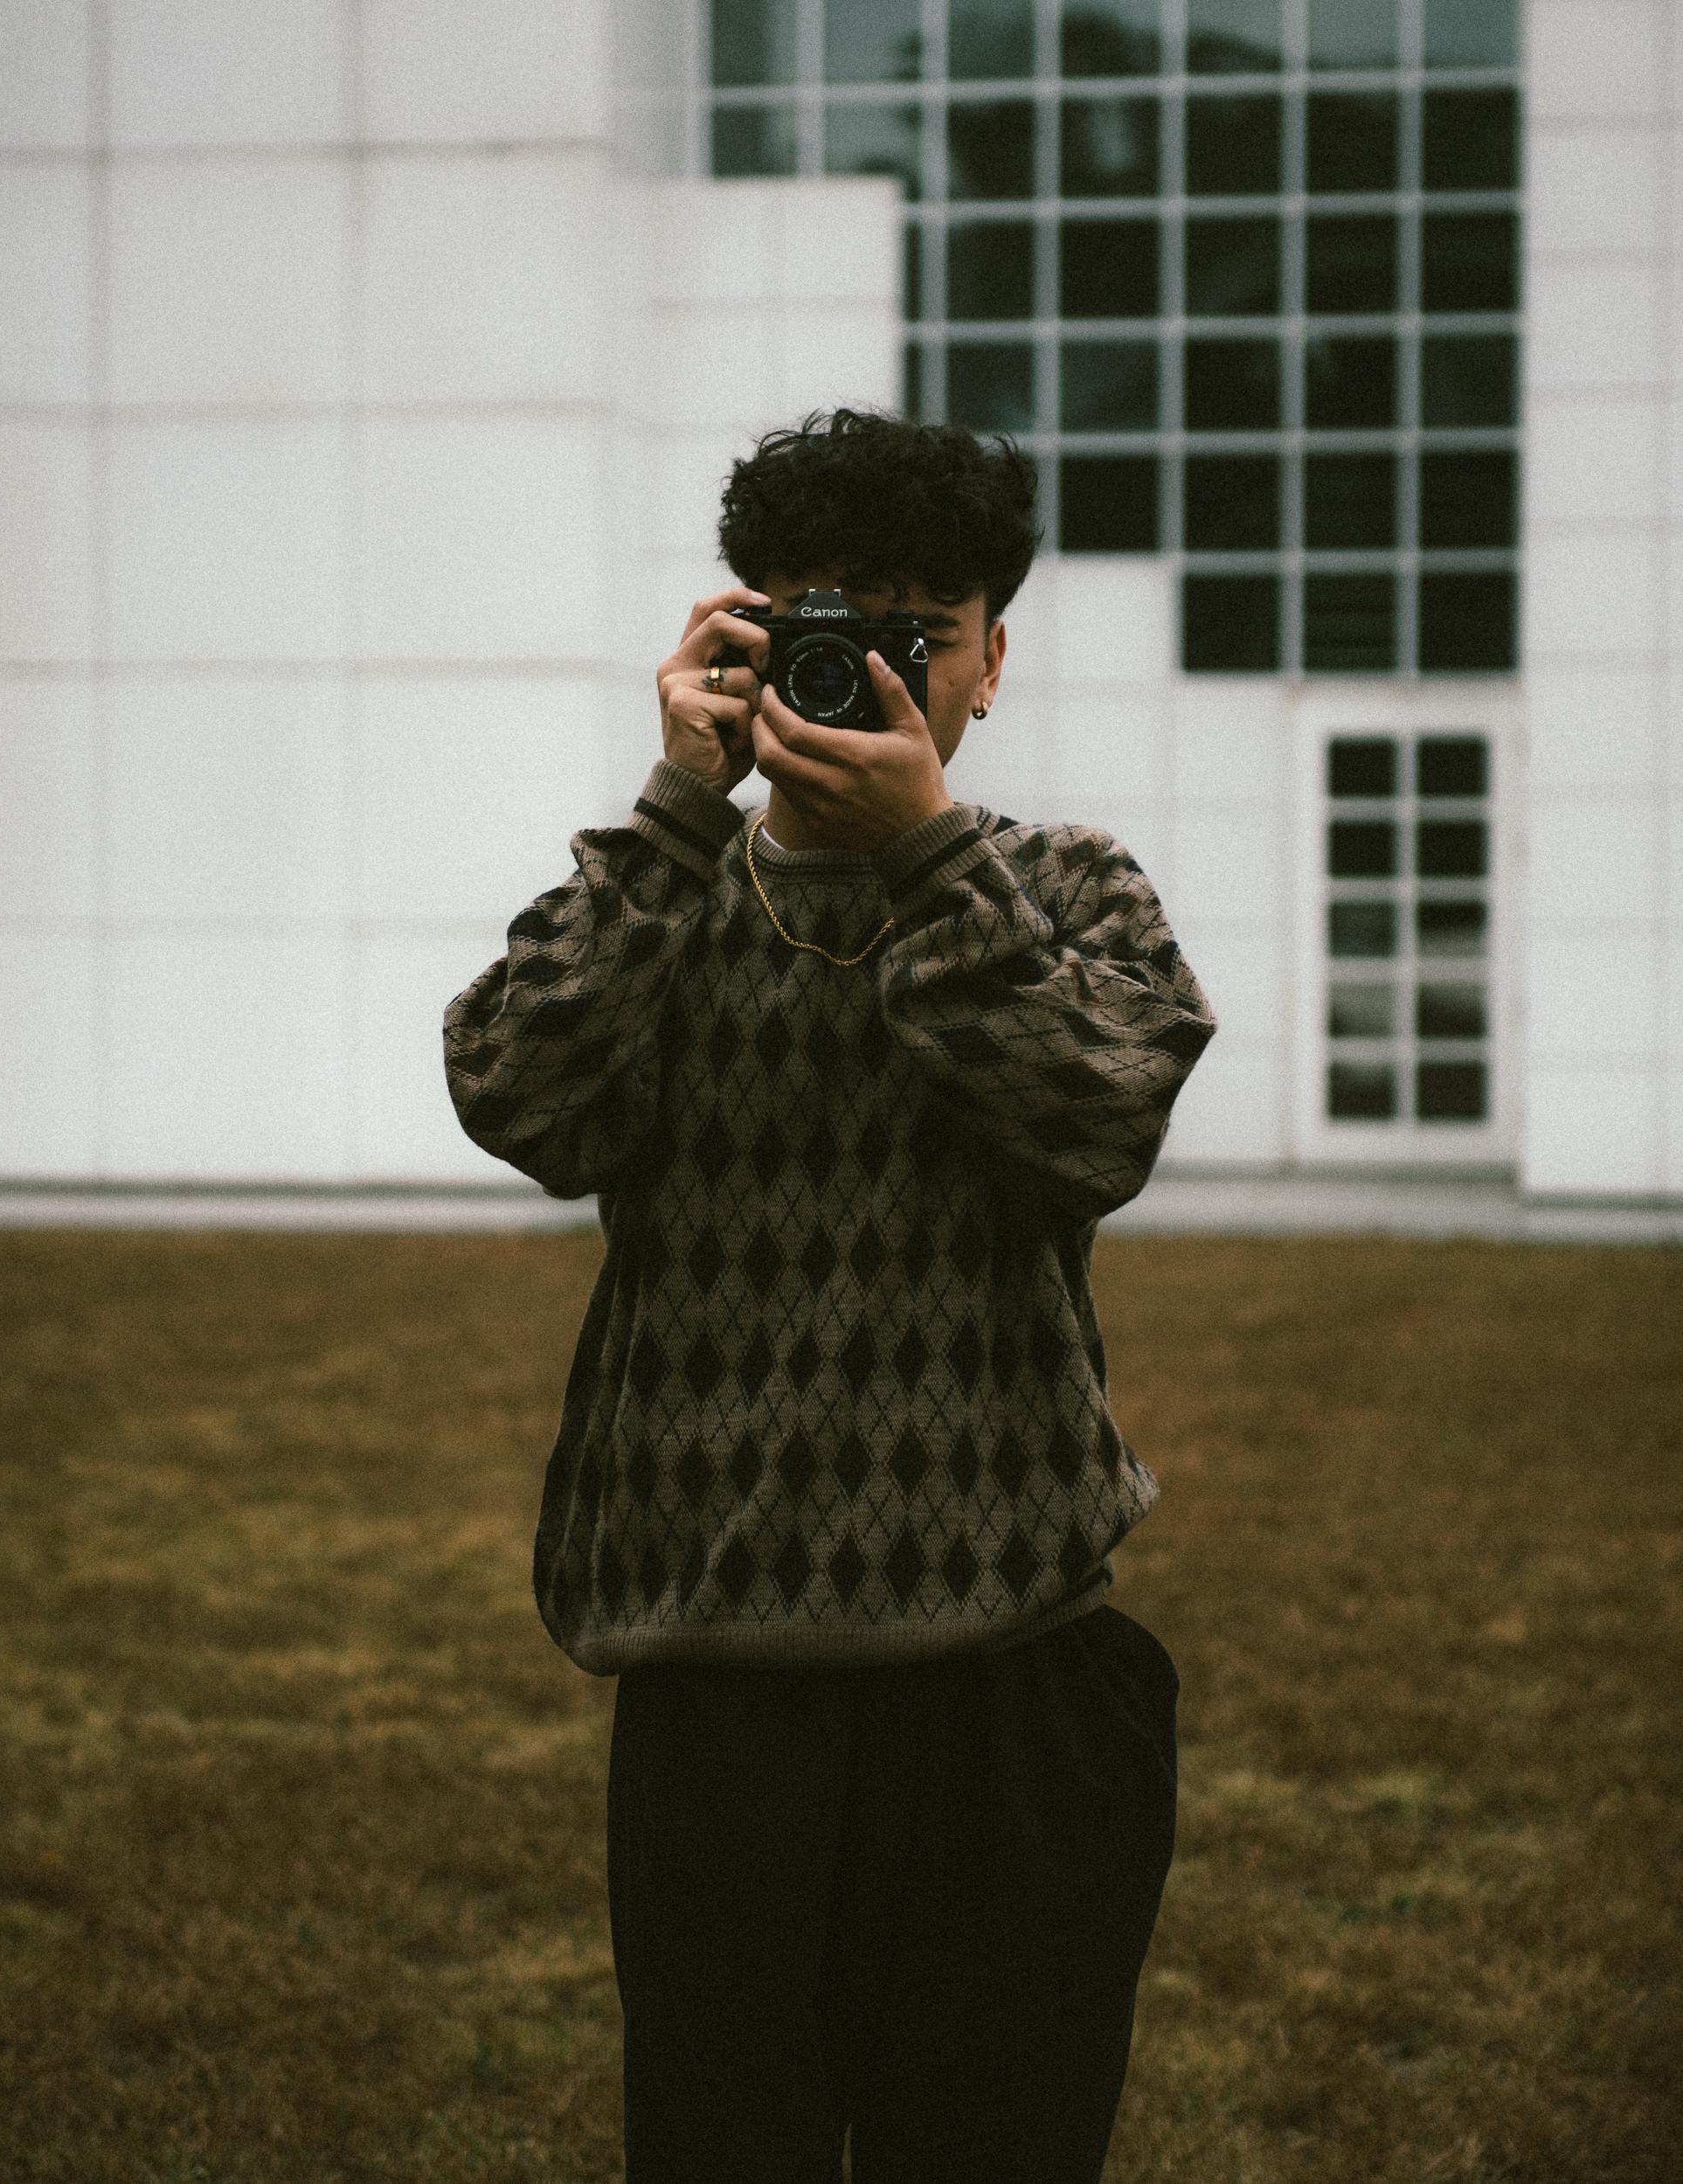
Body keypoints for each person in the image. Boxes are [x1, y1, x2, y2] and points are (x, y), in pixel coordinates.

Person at [441, 407, 1220, 2182]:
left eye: (915, 634)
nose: (864, 672)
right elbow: (517, 1095)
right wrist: (670, 802)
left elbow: (1095, 1116)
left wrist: (933, 856)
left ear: (990, 660)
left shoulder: (1067, 883)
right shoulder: (667, 895)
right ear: (740, 630)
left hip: (1015, 1665)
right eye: (822, 626)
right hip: (723, 1689)